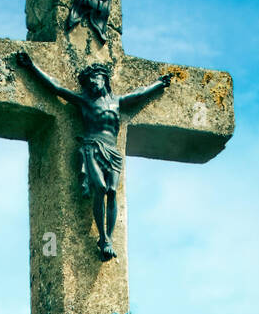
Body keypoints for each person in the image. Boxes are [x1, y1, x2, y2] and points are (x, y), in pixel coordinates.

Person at [17, 53, 172, 259]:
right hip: (92, 146)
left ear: (104, 79)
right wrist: (32, 67)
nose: (91, 83)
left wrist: (159, 84)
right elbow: (56, 88)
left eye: (95, 79)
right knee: (99, 187)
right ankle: (104, 239)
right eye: (88, 81)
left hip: (112, 152)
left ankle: (108, 236)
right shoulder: (85, 102)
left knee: (112, 191)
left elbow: (140, 95)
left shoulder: (117, 102)